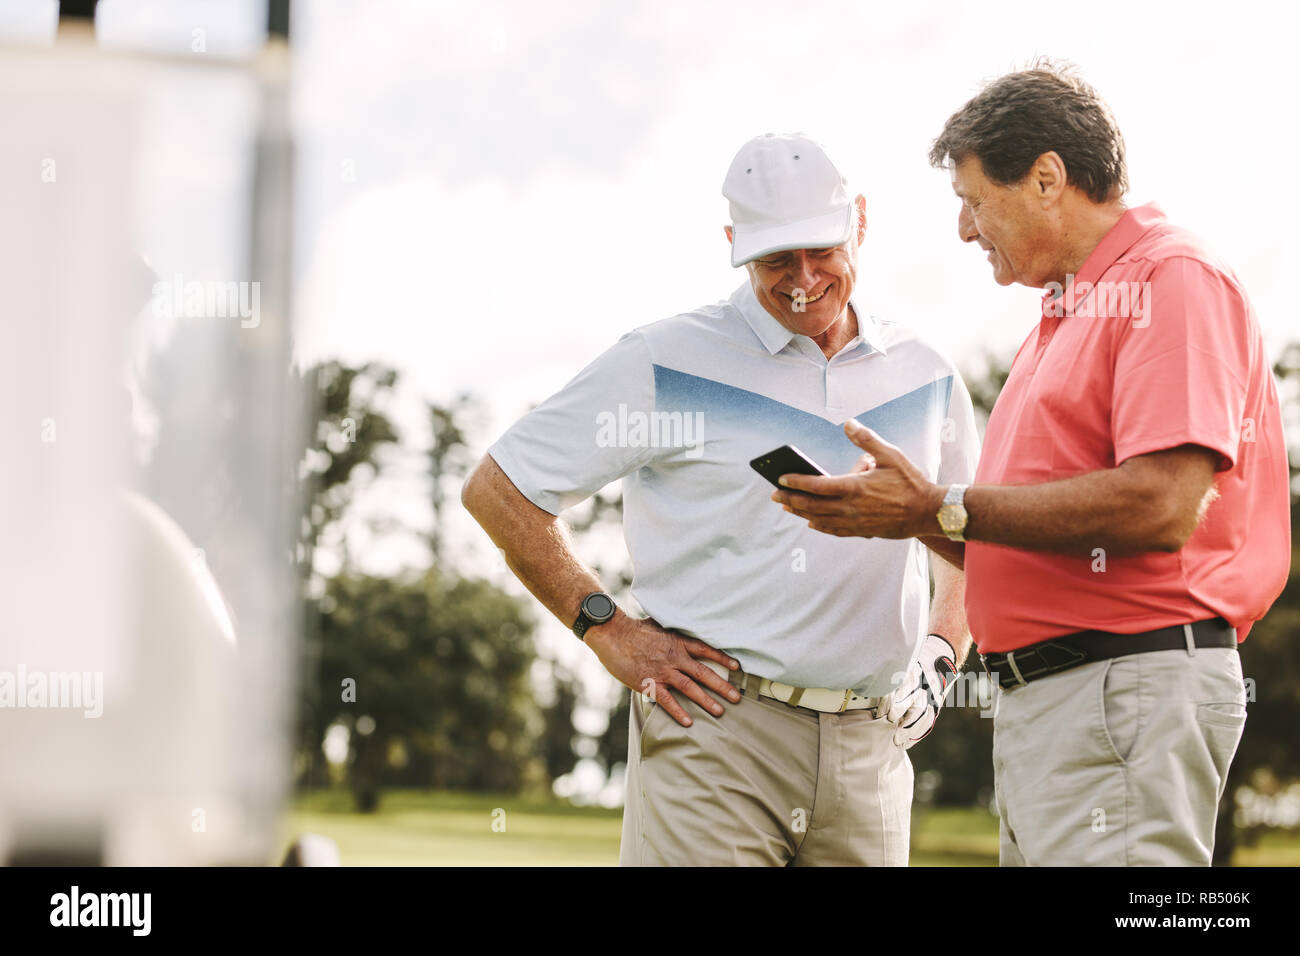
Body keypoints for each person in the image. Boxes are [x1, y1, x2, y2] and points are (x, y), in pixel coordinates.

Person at [773, 64, 1291, 866]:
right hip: (1057, 704)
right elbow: (1016, 541)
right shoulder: (1060, 317)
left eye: (974, 202)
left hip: (1122, 690)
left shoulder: (1169, 277)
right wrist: (897, 517)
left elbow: (1163, 503)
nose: (965, 230)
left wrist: (937, 507)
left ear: (1046, 177)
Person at [461, 132, 980, 866]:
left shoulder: (928, 375)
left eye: (821, 251)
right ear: (734, 243)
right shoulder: (665, 358)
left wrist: (941, 651)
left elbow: (965, 546)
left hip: (872, 746)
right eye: (775, 259)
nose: (801, 279)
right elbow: (499, 490)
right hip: (717, 732)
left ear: (859, 223)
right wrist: (607, 630)